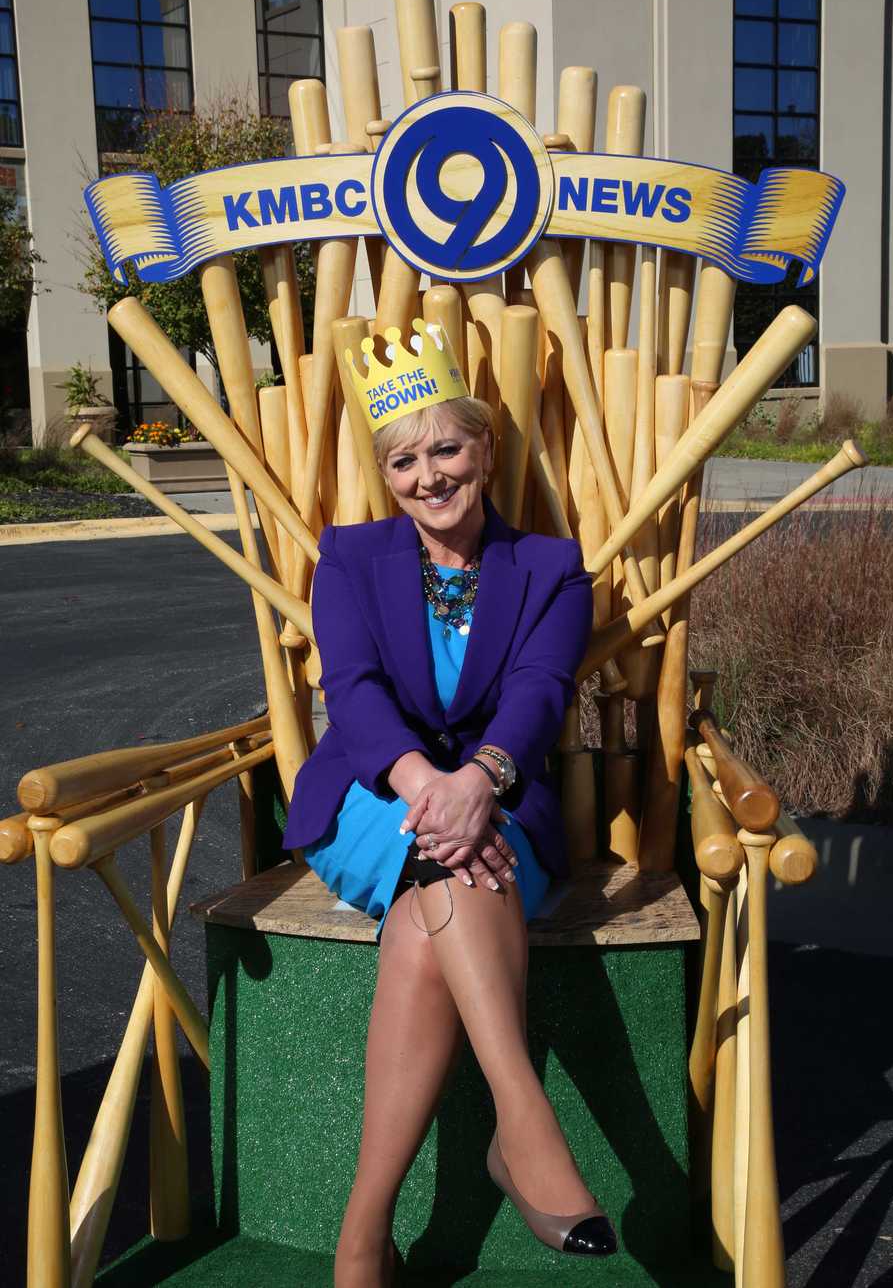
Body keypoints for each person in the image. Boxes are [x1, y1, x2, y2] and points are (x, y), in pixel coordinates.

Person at [283, 322, 617, 1287]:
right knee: (449, 861)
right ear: (385, 474)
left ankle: (362, 1239)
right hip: (372, 799)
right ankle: (522, 1122)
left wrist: (481, 780)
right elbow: (352, 689)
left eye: (446, 451)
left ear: (485, 449)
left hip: (501, 804)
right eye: (404, 461)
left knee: (437, 897)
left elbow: (541, 691)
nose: (428, 476)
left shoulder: (550, 566)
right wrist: (430, 787)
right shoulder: (350, 557)